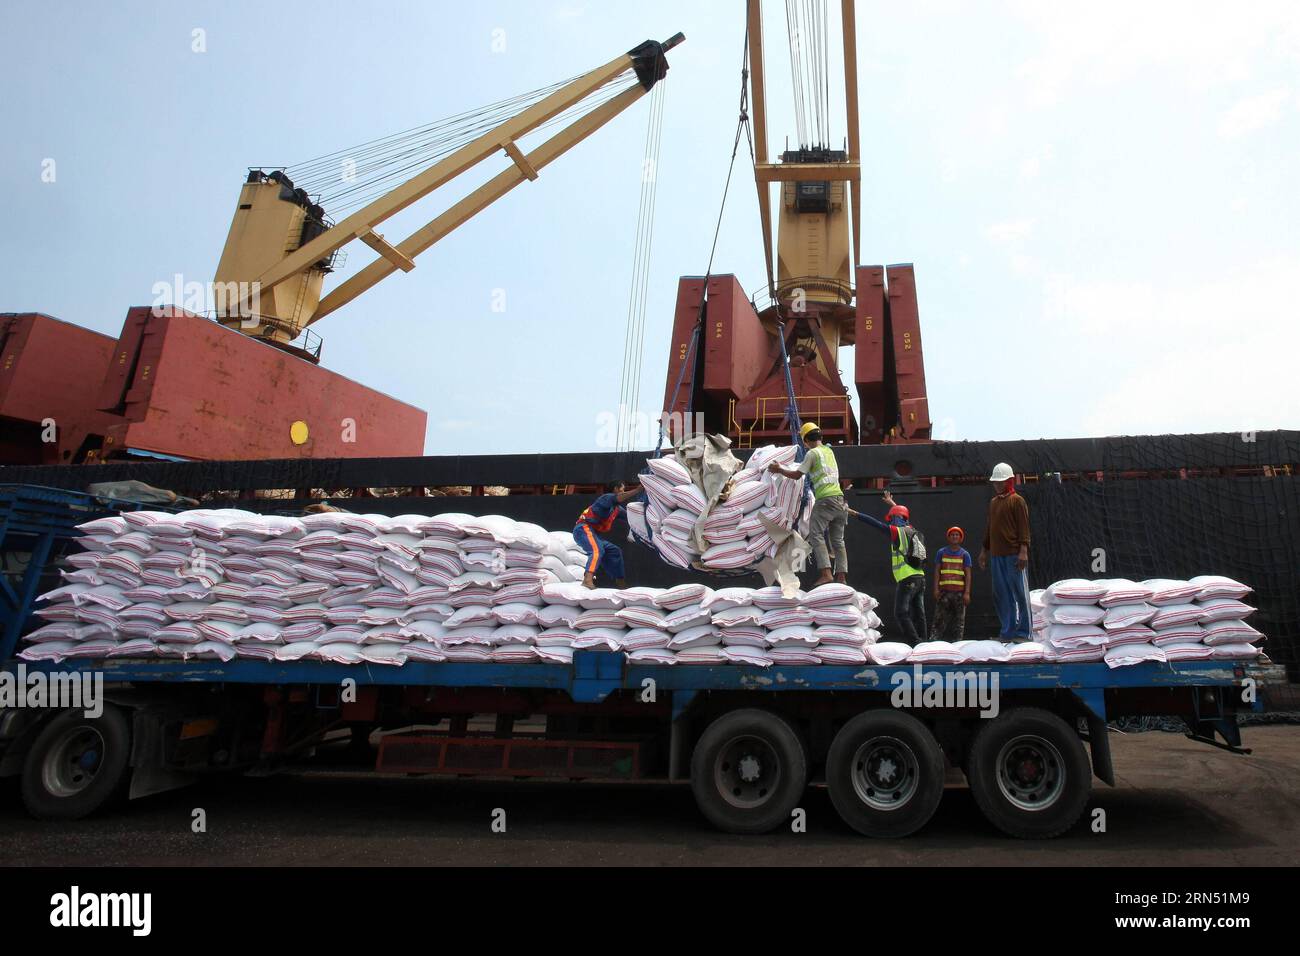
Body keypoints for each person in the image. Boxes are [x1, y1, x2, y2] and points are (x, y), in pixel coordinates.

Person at [767, 421, 847, 588]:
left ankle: (826, 573)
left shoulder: (812, 454)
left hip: (825, 500)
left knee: (816, 534)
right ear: (821, 436)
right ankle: (841, 577)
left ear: (805, 441)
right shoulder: (829, 452)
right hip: (840, 500)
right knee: (838, 540)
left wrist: (779, 469)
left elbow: (797, 475)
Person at [847, 491, 928, 644]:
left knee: (901, 612)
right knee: (919, 612)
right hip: (920, 578)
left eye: (891, 519)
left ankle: (915, 642)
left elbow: (874, 523)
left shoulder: (896, 532)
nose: (890, 522)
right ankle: (923, 641)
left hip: (907, 578)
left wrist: (853, 513)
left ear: (897, 519)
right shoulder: (912, 530)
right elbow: (904, 514)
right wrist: (892, 504)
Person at [978, 462, 1033, 641]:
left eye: (1000, 481)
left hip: (1014, 555)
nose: (997, 484)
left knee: (1020, 593)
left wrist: (1023, 551)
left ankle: (1024, 632)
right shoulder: (993, 503)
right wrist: (984, 550)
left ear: (1009, 481)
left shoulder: (1017, 501)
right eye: (995, 482)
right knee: (1001, 593)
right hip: (997, 555)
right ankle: (1007, 632)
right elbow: (989, 528)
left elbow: (1023, 527)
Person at [574, 480, 642, 589]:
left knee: (614, 551)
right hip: (583, 529)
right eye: (622, 489)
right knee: (597, 550)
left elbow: (630, 518)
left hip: (594, 534)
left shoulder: (617, 509)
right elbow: (620, 497)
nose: (623, 491)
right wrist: (638, 490)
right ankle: (587, 579)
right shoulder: (606, 498)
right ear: (615, 489)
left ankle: (620, 582)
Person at [931, 526, 972, 640]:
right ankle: (934, 642)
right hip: (944, 593)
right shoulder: (941, 552)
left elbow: (968, 575)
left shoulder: (965, 554)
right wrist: (936, 589)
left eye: (957, 535)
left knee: (959, 623)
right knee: (939, 621)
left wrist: (967, 593)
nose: (954, 537)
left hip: (959, 593)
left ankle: (958, 644)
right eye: (952, 535)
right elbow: (937, 571)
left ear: (960, 538)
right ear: (948, 538)